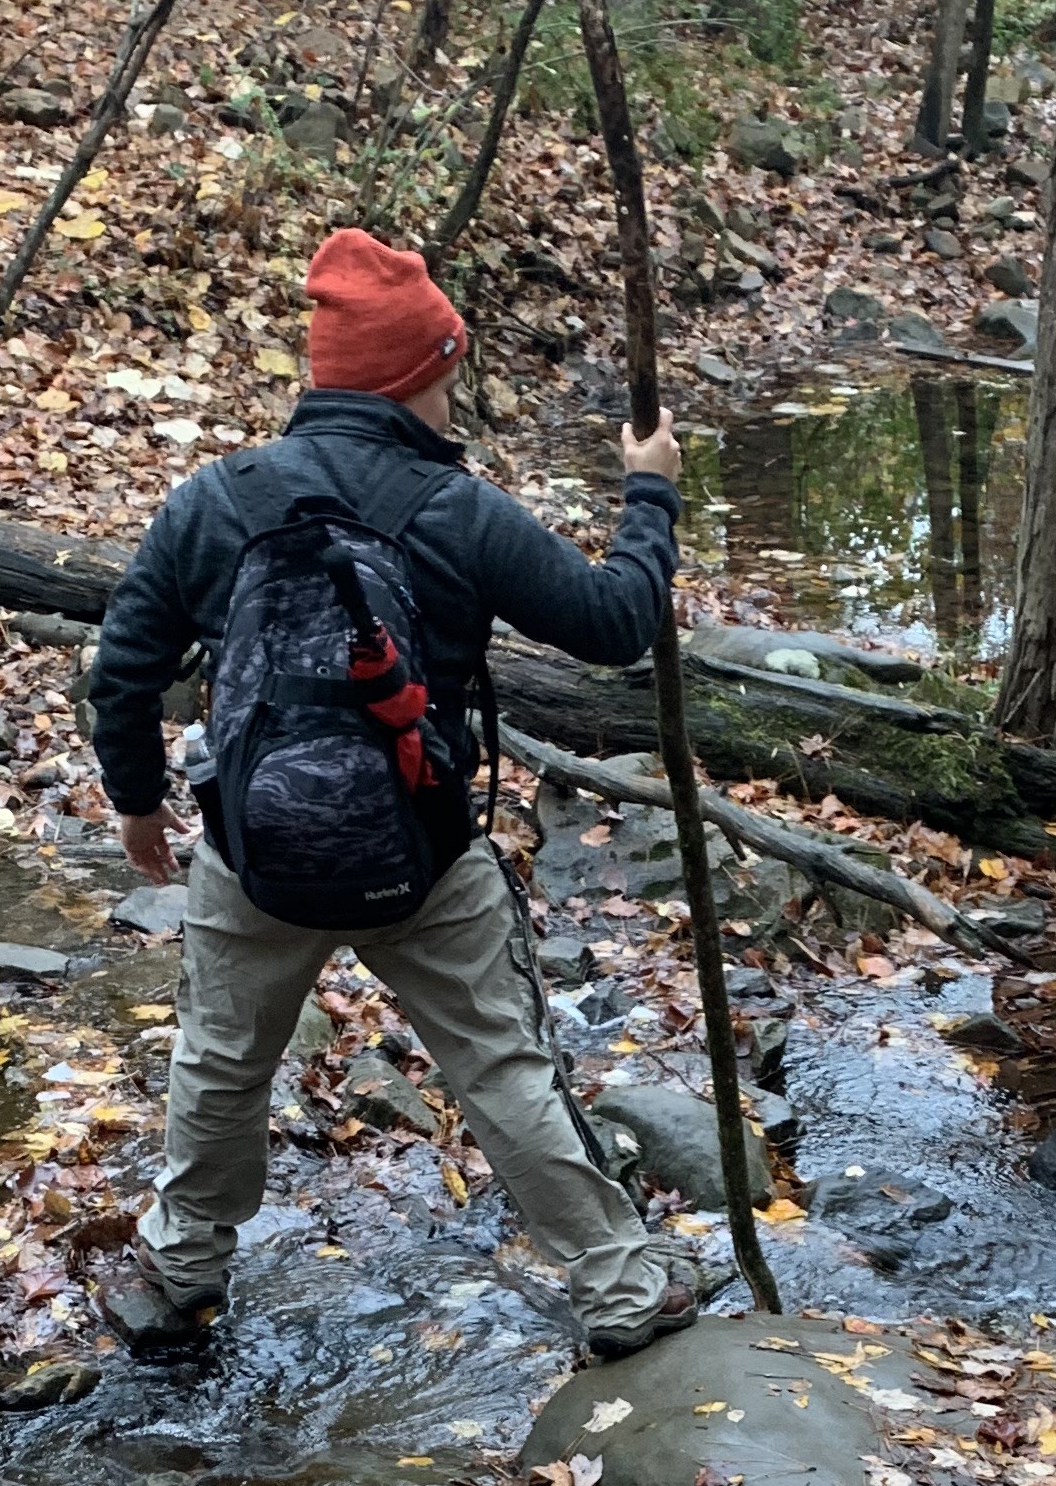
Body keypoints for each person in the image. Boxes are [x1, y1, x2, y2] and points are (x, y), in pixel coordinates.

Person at [88, 226, 695, 1357]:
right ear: (427, 370)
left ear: (320, 378)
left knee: (221, 1062)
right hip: (419, 851)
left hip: (252, 851)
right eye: (448, 365)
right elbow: (616, 622)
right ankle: (618, 1284)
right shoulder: (457, 511)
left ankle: (176, 1282)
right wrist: (648, 494)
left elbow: (122, 668)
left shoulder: (215, 499)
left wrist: (136, 803)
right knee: (499, 1066)